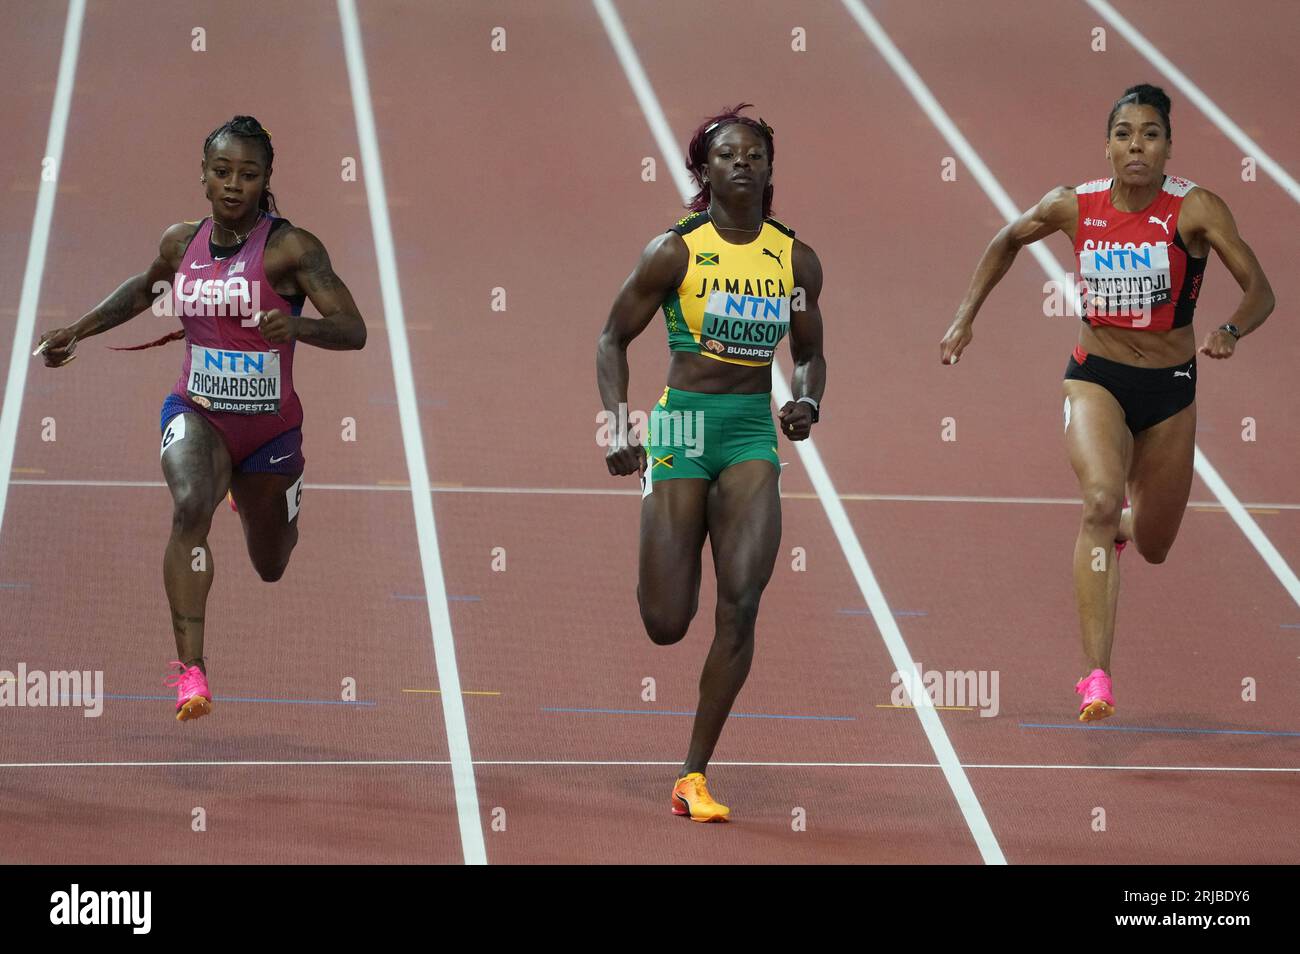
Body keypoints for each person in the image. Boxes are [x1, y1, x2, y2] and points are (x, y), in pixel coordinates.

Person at [939, 84, 1274, 721]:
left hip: (1171, 392)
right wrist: (964, 318)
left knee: (1153, 544)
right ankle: (1096, 675)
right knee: (1098, 499)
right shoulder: (1075, 205)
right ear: (1108, 145)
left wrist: (1231, 329)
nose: (1137, 146)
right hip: (1096, 378)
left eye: (1150, 134)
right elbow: (1008, 239)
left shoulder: (1195, 210)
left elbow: (1261, 288)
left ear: (1169, 147)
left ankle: (1124, 529)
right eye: (1124, 134)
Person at [35, 116, 367, 721]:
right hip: (197, 412)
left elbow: (354, 330)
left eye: (248, 174)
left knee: (271, 565)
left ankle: (254, 497)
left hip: (269, 432)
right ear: (204, 178)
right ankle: (192, 672)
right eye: (222, 172)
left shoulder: (292, 248)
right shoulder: (179, 242)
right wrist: (76, 331)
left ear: (267, 179)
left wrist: (298, 326)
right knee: (190, 506)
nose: (234, 184)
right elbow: (144, 289)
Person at [597, 105, 826, 820]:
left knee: (744, 603)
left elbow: (811, 353)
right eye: (727, 155)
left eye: (754, 154)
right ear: (704, 170)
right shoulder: (675, 251)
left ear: (768, 168)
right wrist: (617, 424)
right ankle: (660, 503)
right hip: (684, 425)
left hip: (750, 434)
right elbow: (610, 339)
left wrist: (808, 404)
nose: (742, 164)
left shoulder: (794, 260)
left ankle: (692, 774)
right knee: (667, 621)